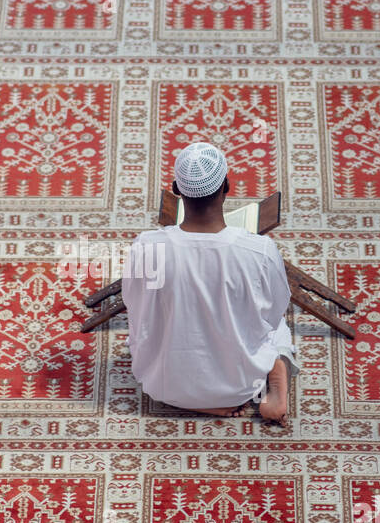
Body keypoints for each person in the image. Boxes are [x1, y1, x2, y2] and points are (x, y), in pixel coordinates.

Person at [121, 142, 298, 424]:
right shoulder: (260, 249)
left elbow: (134, 304)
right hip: (240, 387)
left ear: (177, 190)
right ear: (226, 187)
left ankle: (194, 399)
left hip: (166, 387)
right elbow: (274, 310)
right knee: (279, 326)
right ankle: (275, 384)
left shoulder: (147, 246)